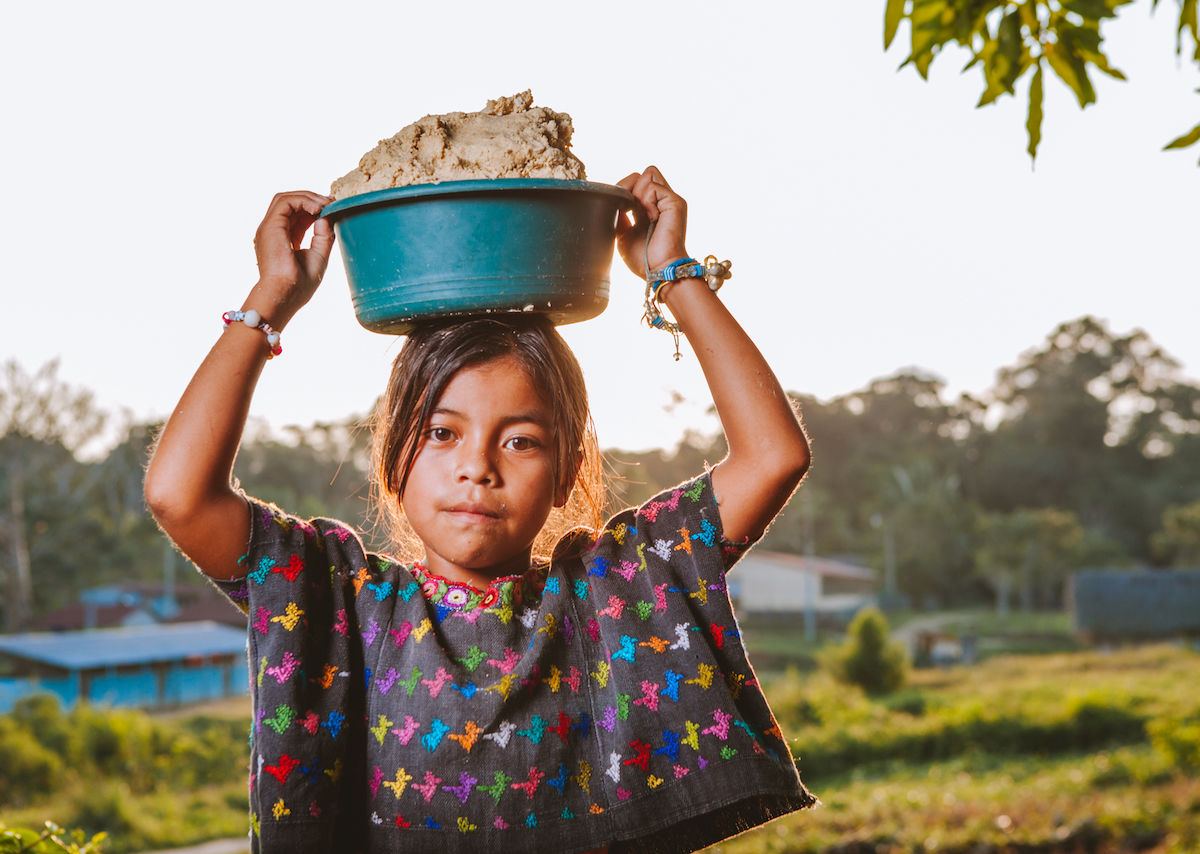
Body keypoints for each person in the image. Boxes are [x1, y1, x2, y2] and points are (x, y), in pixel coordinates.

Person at [144, 166, 816, 853]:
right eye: (442, 432)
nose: (477, 465)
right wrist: (272, 298)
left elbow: (772, 457)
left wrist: (671, 271)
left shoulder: (613, 595)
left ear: (566, 475)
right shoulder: (336, 603)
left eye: (521, 440)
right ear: (392, 457)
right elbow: (180, 494)